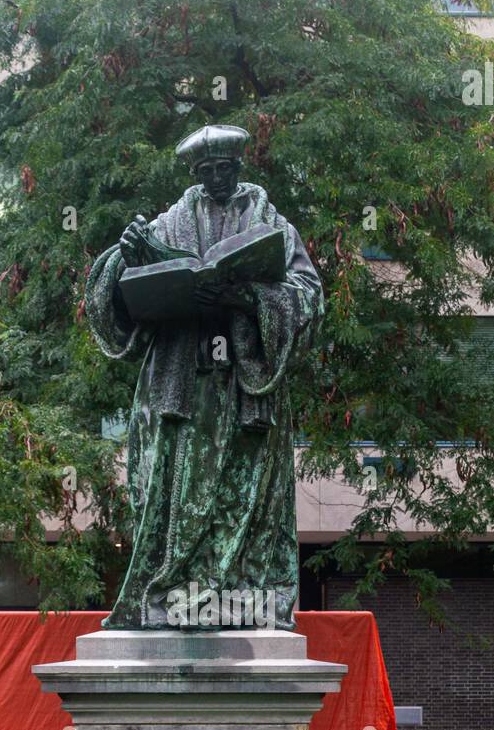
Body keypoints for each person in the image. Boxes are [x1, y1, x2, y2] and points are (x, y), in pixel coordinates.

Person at [86, 123, 323, 630]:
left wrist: (246, 297)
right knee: (171, 491)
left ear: (240, 167)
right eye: (207, 170)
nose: (217, 178)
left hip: (243, 390)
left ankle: (238, 593)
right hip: (179, 387)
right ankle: (170, 593)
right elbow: (113, 303)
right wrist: (127, 257)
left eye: (227, 169)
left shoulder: (272, 224)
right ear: (194, 172)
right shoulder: (167, 226)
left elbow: (308, 296)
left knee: (243, 495)